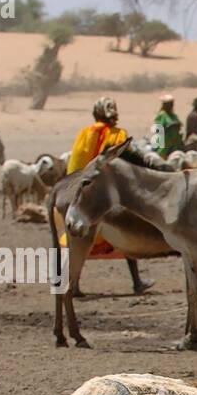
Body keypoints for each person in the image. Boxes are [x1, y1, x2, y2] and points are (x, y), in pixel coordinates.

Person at [63, 98, 150, 294]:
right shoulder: (119, 135)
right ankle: (137, 282)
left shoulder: (84, 133)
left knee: (79, 239)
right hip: (110, 191)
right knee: (127, 233)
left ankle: (73, 283)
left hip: (83, 190)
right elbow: (125, 163)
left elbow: (75, 163)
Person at [152, 93, 182, 158]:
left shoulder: (173, 115)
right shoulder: (162, 115)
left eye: (172, 104)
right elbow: (158, 129)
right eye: (169, 104)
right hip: (164, 142)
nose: (171, 106)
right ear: (165, 105)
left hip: (175, 142)